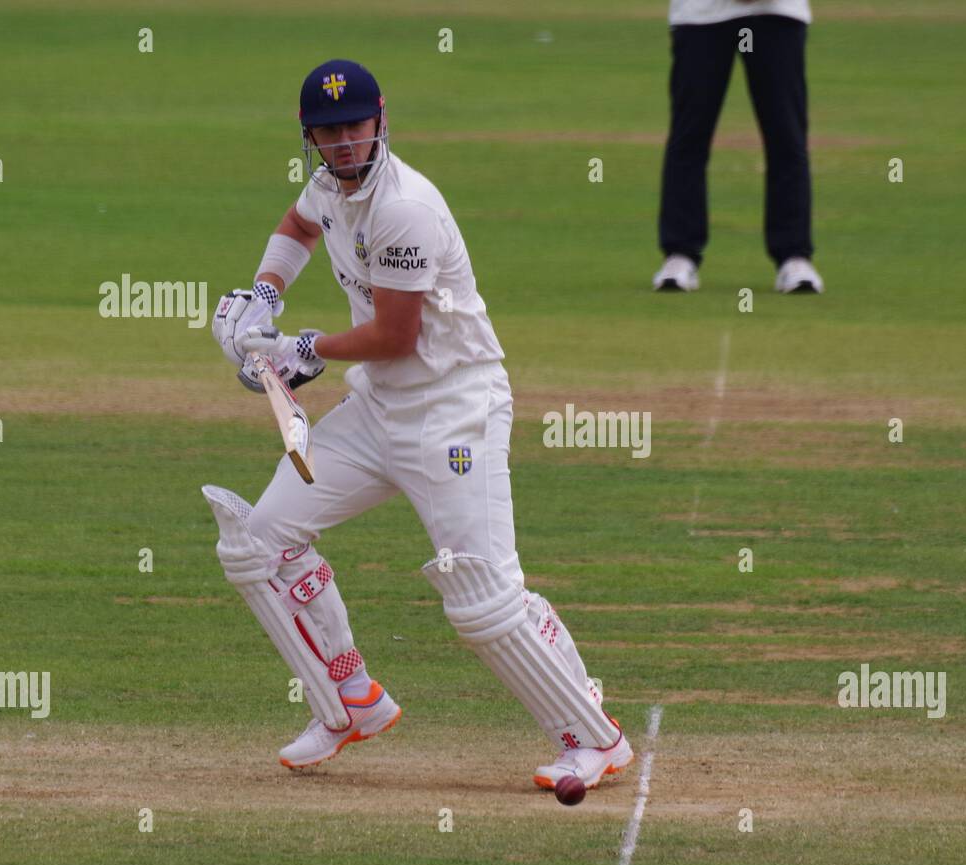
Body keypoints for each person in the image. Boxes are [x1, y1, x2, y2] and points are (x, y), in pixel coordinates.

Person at [205, 59, 632, 792]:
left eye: (355, 127)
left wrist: (302, 350)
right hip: (379, 408)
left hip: (453, 409)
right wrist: (262, 297)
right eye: (328, 132)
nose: (344, 143)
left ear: (380, 122)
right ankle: (349, 698)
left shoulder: (405, 207)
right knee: (258, 541)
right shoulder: (329, 187)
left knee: (484, 598)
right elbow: (298, 225)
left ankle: (594, 738)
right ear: (309, 137)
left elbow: (396, 334)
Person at [653, 0, 824, 294]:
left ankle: (794, 257)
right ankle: (680, 255)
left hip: (776, 11)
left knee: (786, 136)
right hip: (701, 14)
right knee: (689, 137)